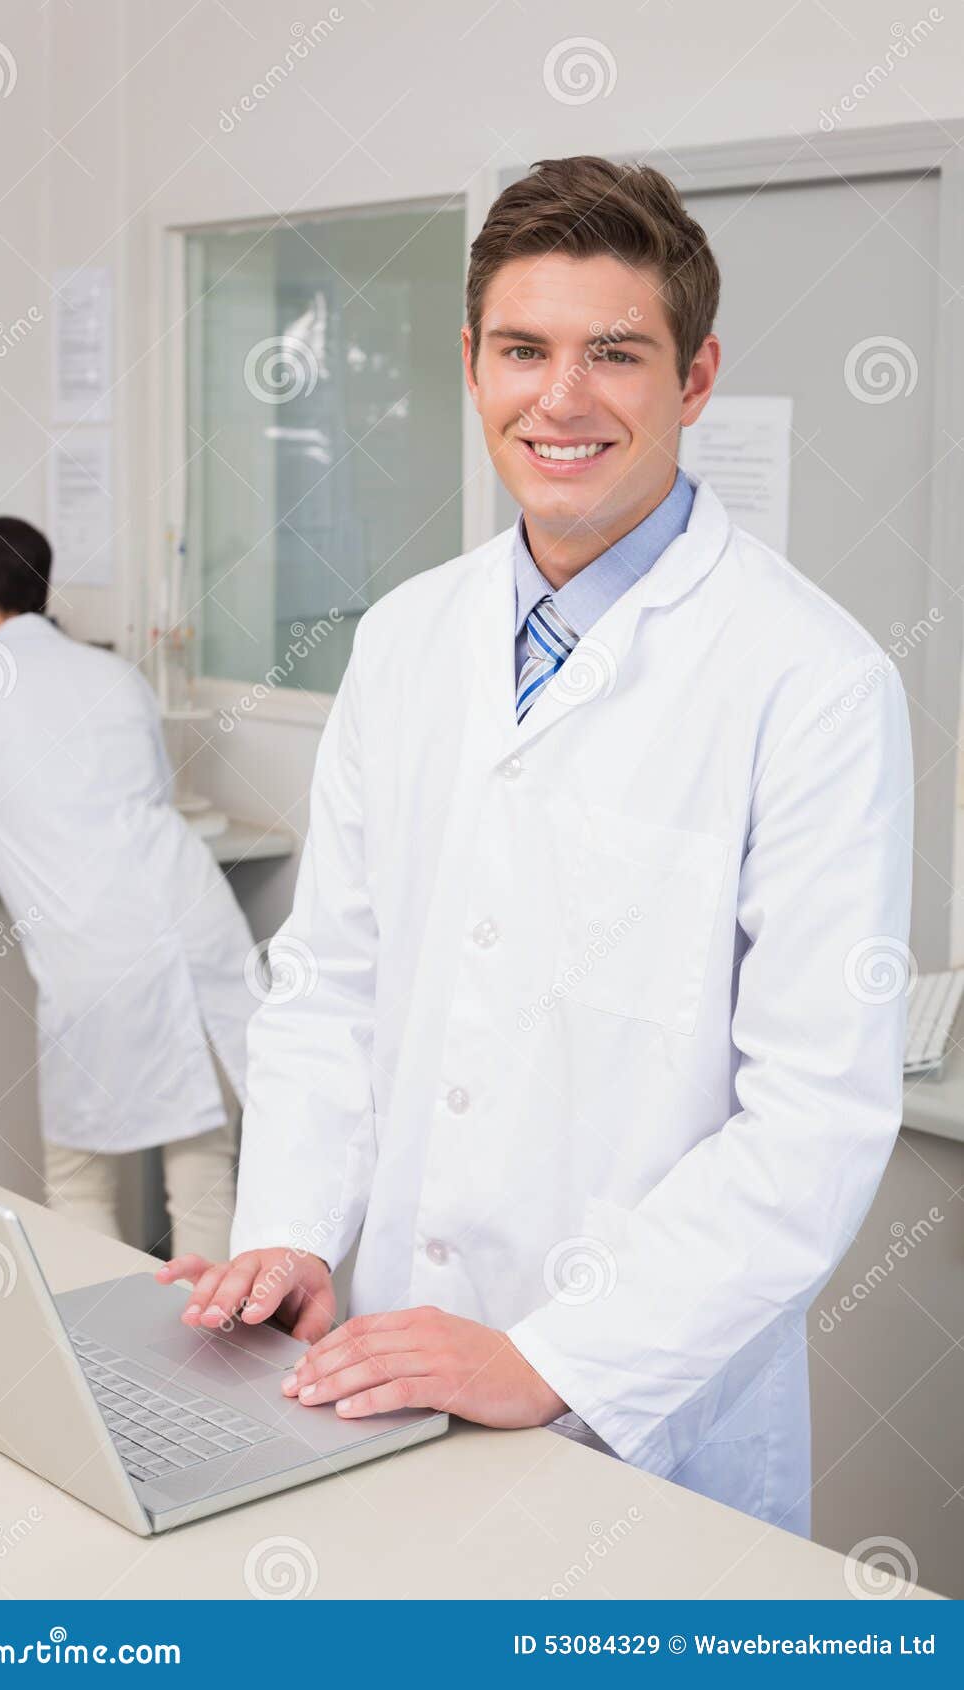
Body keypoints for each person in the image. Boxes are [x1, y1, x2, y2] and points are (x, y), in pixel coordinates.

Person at [156, 156, 913, 1534]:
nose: (558, 398)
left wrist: (550, 1358)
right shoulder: (404, 639)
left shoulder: (810, 679)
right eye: (521, 350)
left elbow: (813, 1117)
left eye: (612, 353)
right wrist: (291, 1234)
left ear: (692, 379)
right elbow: (327, 986)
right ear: (470, 365)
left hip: (644, 1428)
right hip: (381, 1363)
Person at [0, 516, 254, 1257]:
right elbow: (150, 795)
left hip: (101, 946)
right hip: (199, 920)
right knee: (203, 1165)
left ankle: (101, 1334)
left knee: (79, 1182)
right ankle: (219, 1333)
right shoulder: (113, 672)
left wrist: (29, 842)